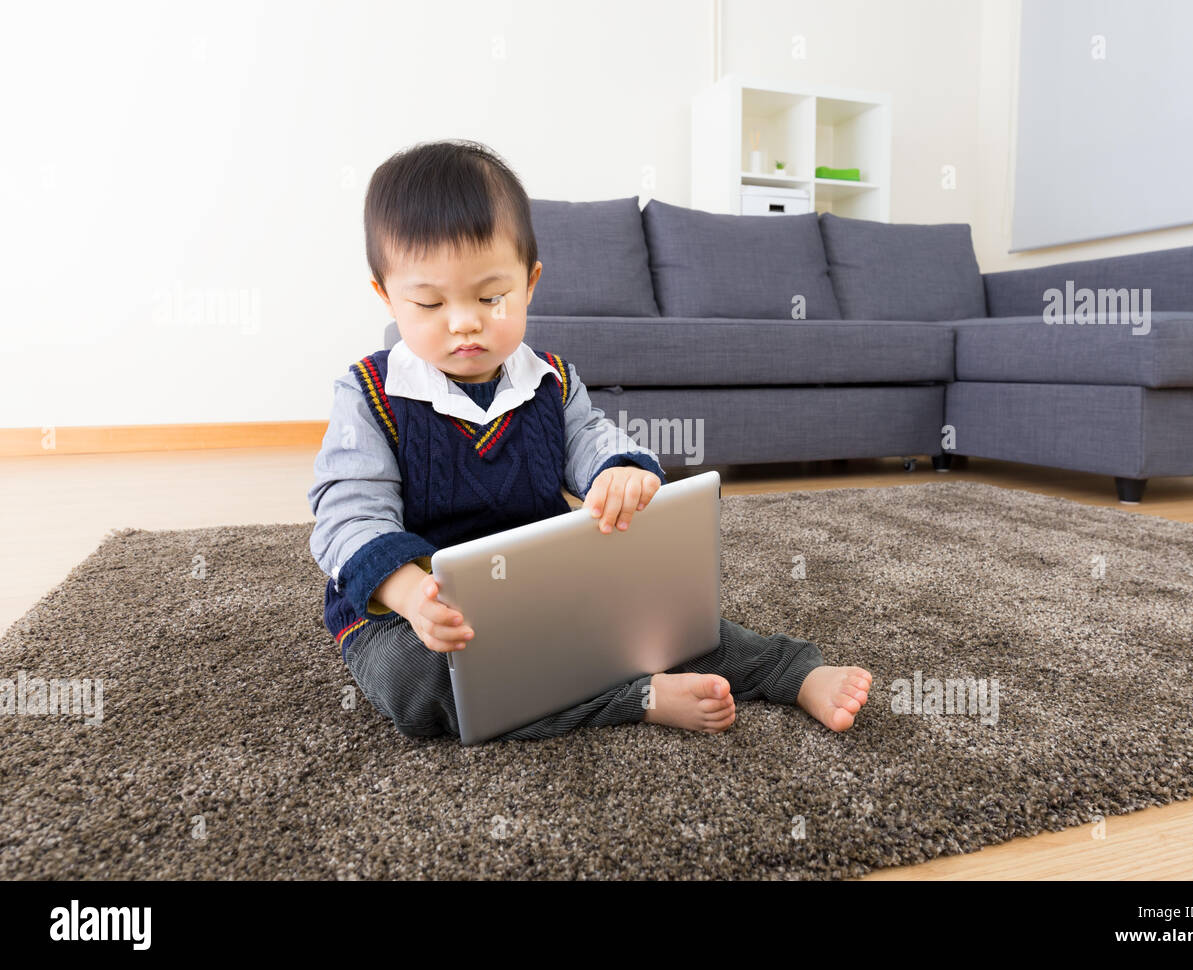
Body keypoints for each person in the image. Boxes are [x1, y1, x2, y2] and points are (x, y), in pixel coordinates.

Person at [307, 139, 872, 742]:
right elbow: (347, 518)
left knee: (672, 623)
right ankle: (637, 697)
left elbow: (594, 441)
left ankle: (791, 670)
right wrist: (411, 593)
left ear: (530, 283)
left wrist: (619, 472)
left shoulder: (551, 380)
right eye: (429, 302)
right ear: (387, 297)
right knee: (414, 683)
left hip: (540, 589)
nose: (464, 321)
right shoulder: (367, 393)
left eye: (490, 296)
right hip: (417, 614)